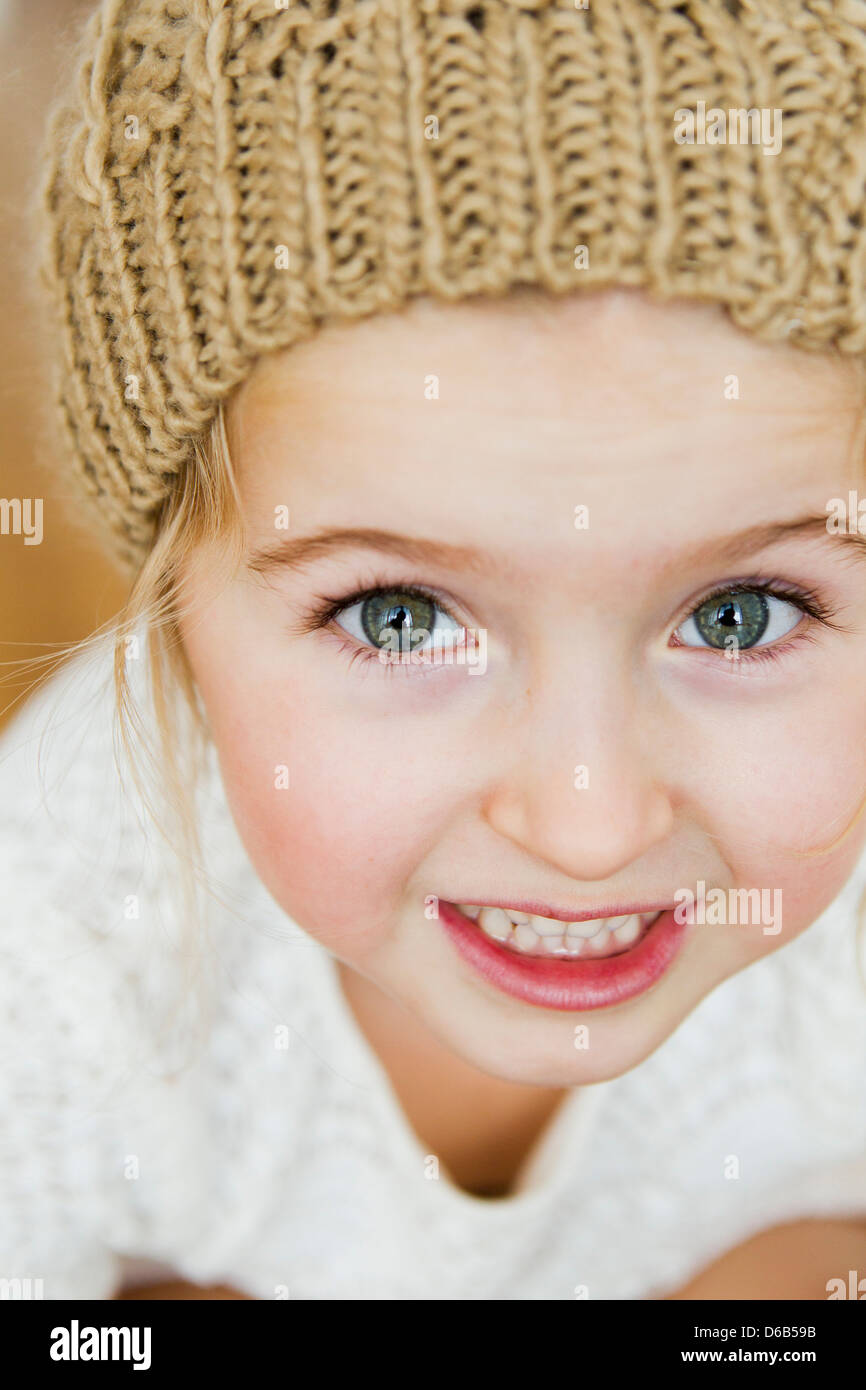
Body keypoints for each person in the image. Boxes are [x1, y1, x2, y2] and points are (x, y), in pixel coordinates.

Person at [3, 0, 866, 1300]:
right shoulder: (58, 934)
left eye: (737, 614)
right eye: (397, 617)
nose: (588, 824)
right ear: (177, 618)